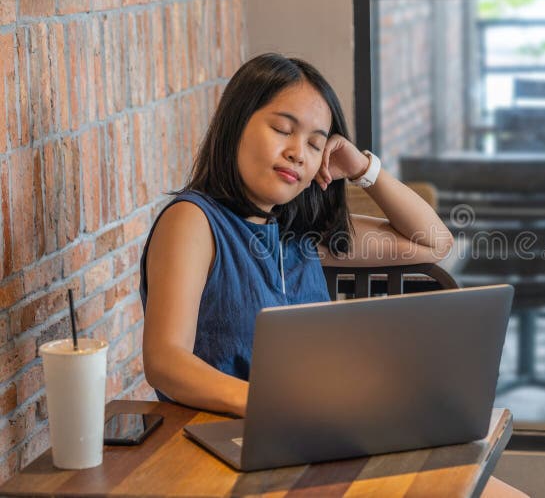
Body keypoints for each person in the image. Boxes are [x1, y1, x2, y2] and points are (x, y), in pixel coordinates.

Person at [140, 53, 454, 416]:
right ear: (236, 124)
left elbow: (433, 242)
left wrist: (364, 169)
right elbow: (165, 362)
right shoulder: (193, 222)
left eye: (315, 144)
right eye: (283, 130)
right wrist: (279, 407)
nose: (298, 153)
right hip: (223, 440)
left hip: (312, 430)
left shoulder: (301, 236)